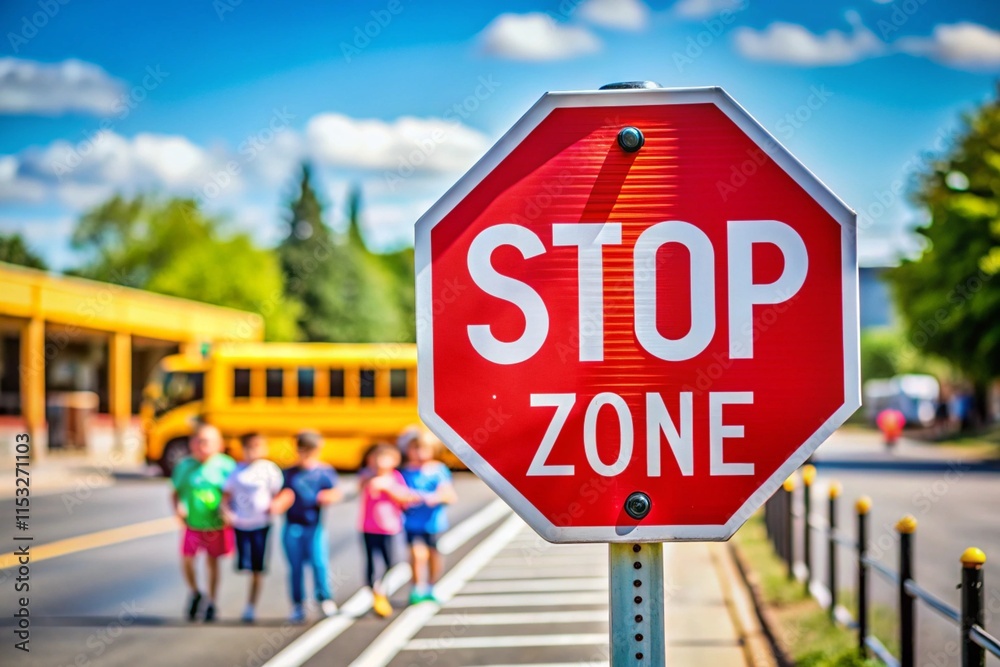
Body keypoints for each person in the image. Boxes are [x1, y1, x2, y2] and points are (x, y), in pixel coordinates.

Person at [272, 431, 342, 623]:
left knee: (319, 563)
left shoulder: (324, 471)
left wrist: (326, 497)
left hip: (315, 525)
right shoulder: (289, 473)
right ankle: (298, 604)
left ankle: (324, 598)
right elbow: (280, 496)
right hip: (293, 525)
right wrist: (279, 502)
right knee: (295, 567)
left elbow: (335, 492)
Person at [171, 423, 237, 622]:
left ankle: (211, 601)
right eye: (198, 441)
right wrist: (178, 508)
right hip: (193, 523)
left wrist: (229, 511)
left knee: (212, 562)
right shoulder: (185, 466)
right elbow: (175, 492)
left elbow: (234, 493)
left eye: (207, 442)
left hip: (215, 525)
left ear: (219, 444)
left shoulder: (226, 466)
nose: (202, 446)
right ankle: (195, 592)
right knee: (187, 559)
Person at [222, 432, 283, 623]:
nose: (253, 451)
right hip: (241, 525)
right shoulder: (237, 471)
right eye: (249, 447)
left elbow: (280, 493)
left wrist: (275, 506)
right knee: (243, 565)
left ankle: (251, 605)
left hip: (260, 524)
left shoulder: (269, 469)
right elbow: (226, 495)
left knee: (257, 567)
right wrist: (227, 513)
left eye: (257, 446)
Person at [358, 443, 415, 618]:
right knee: (372, 564)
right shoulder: (368, 476)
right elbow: (361, 487)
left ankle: (383, 591)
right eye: (377, 458)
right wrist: (371, 479)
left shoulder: (395, 477)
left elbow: (406, 497)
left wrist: (388, 487)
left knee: (392, 563)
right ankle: (377, 594)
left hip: (390, 528)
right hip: (369, 528)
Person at [399, 430, 456, 604]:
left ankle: (432, 585)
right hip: (411, 522)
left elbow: (450, 495)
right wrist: (406, 498)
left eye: (424, 448)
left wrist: (436, 497)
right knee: (417, 554)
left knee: (434, 555)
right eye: (415, 449)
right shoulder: (404, 472)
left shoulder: (438, 470)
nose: (419, 453)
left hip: (433, 523)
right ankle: (417, 587)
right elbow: (398, 493)